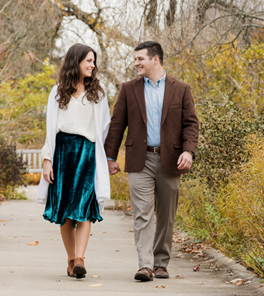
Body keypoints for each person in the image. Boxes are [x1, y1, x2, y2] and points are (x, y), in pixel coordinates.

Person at [104, 41, 199, 282]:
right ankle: (145, 265)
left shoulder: (181, 89)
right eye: (135, 59)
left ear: (155, 59)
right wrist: (110, 157)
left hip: (171, 160)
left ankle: (161, 263)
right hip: (140, 160)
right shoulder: (128, 89)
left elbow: (191, 124)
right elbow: (117, 125)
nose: (136, 63)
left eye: (140, 59)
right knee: (143, 214)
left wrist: (188, 151)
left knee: (166, 216)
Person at [38, 43, 111, 279]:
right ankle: (71, 259)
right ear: (76, 61)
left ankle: (81, 258)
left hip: (87, 154)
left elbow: (105, 127)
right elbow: (49, 129)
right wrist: (47, 159)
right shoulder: (58, 91)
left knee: (84, 208)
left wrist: (104, 157)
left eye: (93, 61)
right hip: (63, 153)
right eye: (88, 60)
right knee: (65, 212)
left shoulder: (98, 92)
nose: (92, 65)